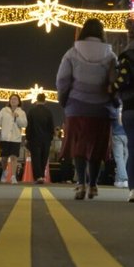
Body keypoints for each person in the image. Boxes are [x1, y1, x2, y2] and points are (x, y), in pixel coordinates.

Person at [56, 18, 117, 200]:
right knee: (97, 148)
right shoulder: (110, 55)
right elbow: (115, 82)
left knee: (79, 147)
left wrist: (64, 99)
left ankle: (80, 183)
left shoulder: (72, 53)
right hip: (102, 108)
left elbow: (62, 80)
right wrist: (114, 102)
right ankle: (93, 185)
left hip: (76, 107)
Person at [0, 94, 28, 184]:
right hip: (4, 138)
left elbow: (24, 124)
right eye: (12, 99)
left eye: (15, 99)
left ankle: (13, 176)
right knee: (4, 158)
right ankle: (4, 172)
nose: (13, 100)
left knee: (14, 157)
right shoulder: (4, 110)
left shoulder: (21, 112)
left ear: (19, 101)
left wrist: (17, 117)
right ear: (9, 101)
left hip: (15, 138)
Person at [26, 95, 56, 184]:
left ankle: (38, 177)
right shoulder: (48, 112)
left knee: (36, 158)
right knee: (44, 157)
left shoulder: (31, 111)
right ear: (45, 101)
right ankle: (42, 175)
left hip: (34, 139)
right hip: (46, 139)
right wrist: (50, 138)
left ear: (36, 100)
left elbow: (29, 126)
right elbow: (51, 127)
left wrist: (28, 138)